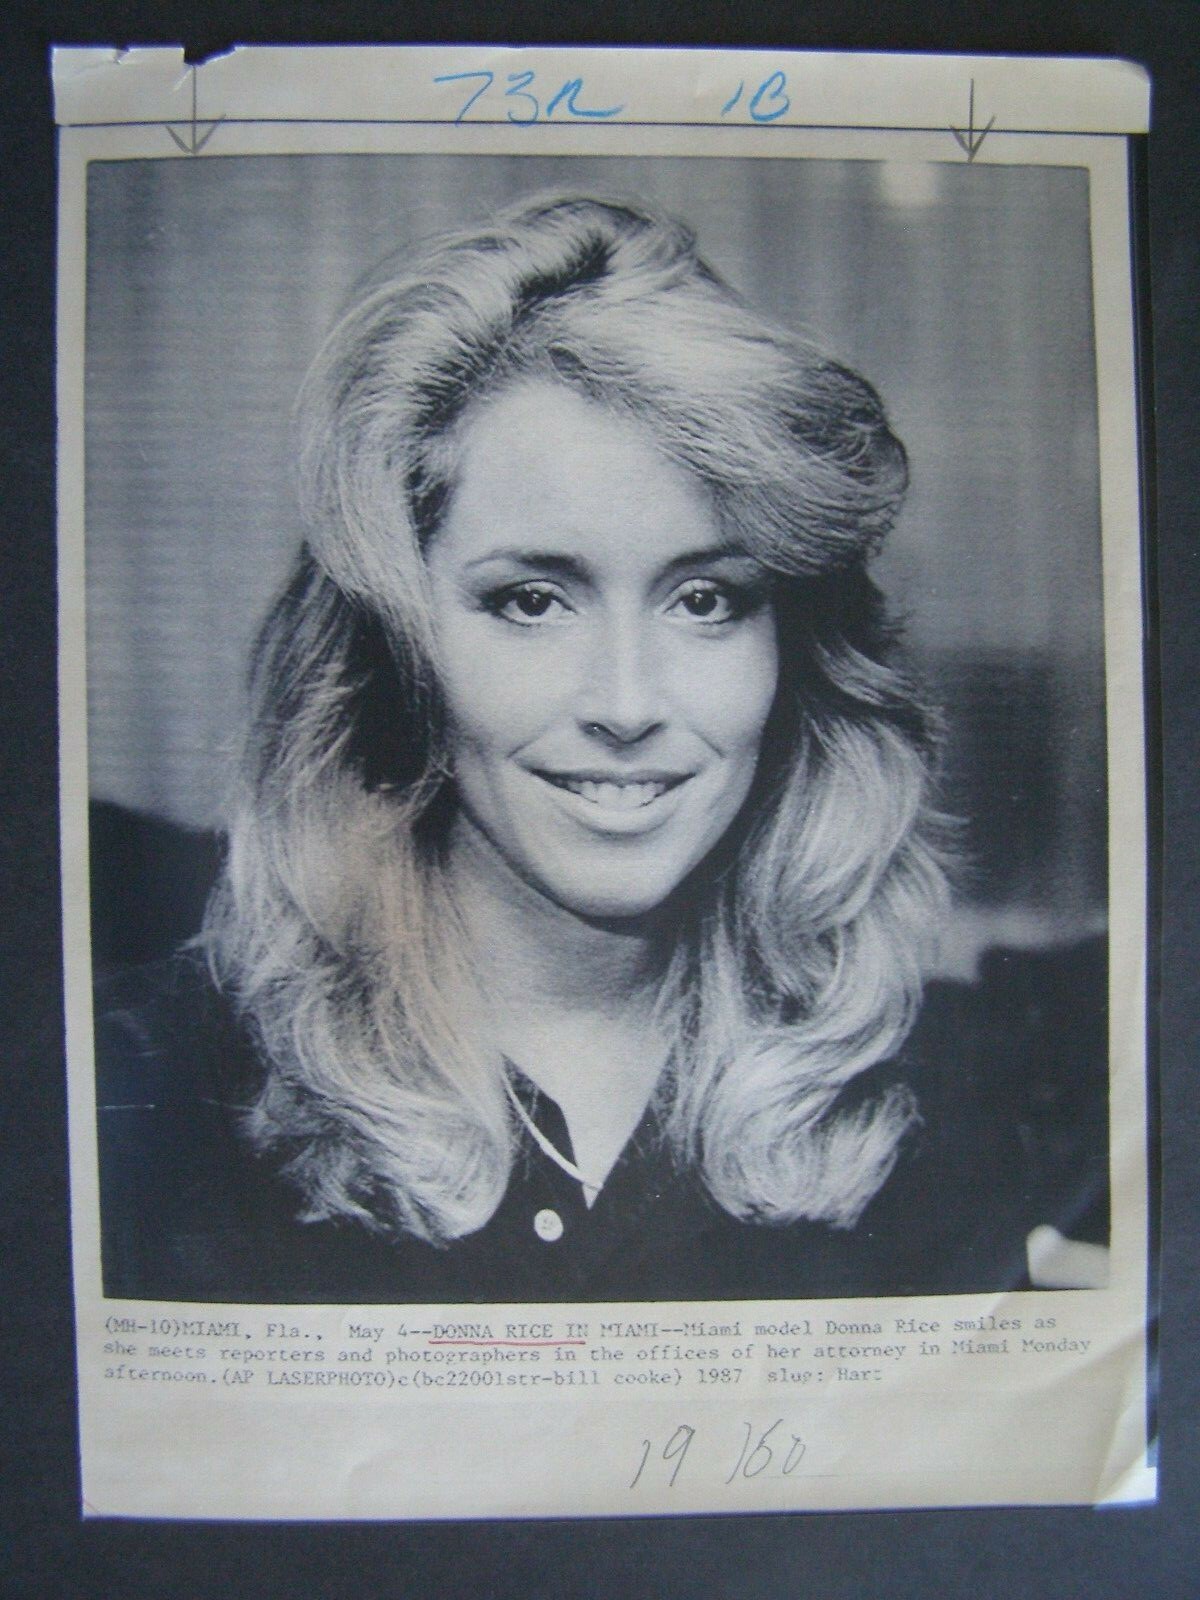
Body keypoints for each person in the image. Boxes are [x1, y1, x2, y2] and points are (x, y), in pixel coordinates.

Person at [95, 193, 1106, 1303]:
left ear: (795, 651)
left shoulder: (964, 1117)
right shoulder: (138, 1104)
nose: (627, 702)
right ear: (394, 646)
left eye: (707, 599)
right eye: (532, 599)